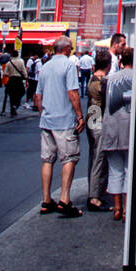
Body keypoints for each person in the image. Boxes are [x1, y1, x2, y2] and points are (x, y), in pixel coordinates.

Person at [35, 35, 84, 216]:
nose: (71, 50)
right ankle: (65, 199)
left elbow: (38, 97)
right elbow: (72, 93)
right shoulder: (69, 65)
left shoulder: (45, 67)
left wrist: (43, 115)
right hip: (64, 120)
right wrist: (79, 116)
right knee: (69, 158)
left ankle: (47, 200)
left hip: (47, 120)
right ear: (65, 49)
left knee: (47, 159)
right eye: (70, 47)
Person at [100, 46, 133, 220]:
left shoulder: (108, 80)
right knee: (129, 169)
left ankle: (117, 208)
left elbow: (101, 105)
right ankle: (127, 208)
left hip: (111, 128)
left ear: (120, 62)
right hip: (130, 128)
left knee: (115, 170)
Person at [86, 47, 113, 213]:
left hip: (91, 114)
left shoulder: (92, 78)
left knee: (93, 155)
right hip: (99, 117)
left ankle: (93, 190)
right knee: (99, 158)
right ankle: (94, 197)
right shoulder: (104, 82)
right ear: (108, 64)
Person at [4, 49, 28, 115]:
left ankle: (12, 106)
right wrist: (26, 77)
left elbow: (5, 73)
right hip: (18, 79)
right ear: (18, 55)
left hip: (11, 80)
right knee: (21, 92)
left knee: (11, 94)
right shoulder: (21, 61)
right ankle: (16, 104)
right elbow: (24, 70)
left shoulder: (9, 62)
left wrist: (10, 74)